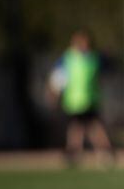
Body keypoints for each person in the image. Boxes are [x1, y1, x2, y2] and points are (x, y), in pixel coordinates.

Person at [48, 30, 114, 166]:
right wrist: (54, 93)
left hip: (90, 99)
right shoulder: (67, 58)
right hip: (73, 101)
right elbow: (58, 78)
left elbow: (107, 68)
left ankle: (103, 151)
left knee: (91, 125)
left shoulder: (94, 58)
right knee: (78, 126)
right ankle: (75, 152)